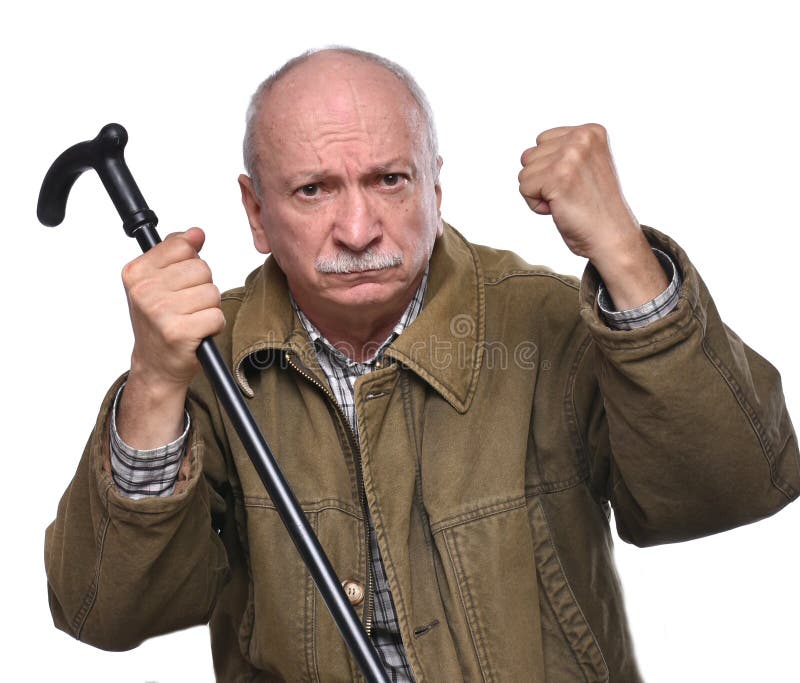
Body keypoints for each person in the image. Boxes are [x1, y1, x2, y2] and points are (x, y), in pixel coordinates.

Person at [44, 47, 800, 682]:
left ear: (434, 185)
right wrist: (154, 381)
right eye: (314, 189)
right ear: (255, 212)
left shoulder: (544, 320)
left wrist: (626, 255)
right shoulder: (207, 358)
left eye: (389, 180)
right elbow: (103, 612)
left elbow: (737, 488)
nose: (358, 227)